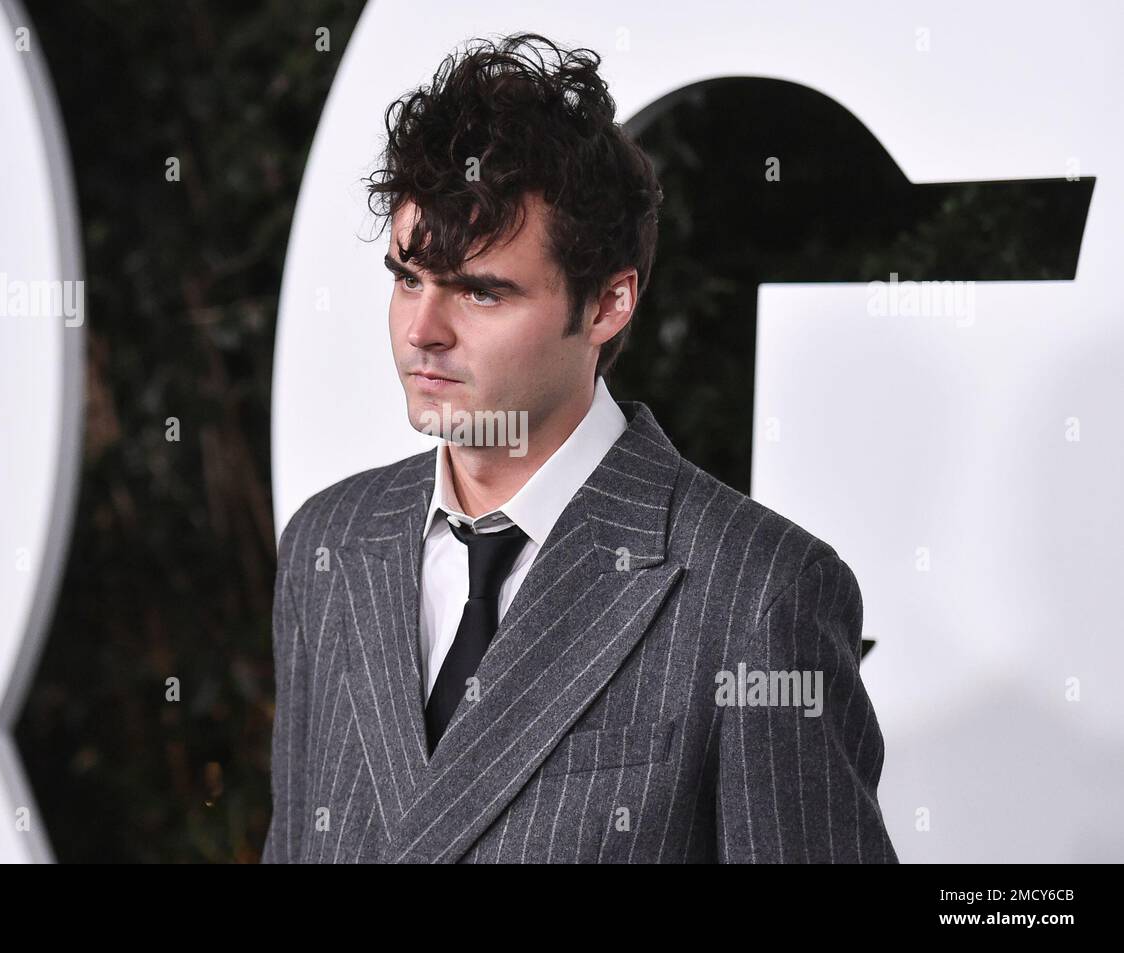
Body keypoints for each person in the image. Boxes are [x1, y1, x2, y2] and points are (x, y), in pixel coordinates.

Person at [262, 32, 896, 863]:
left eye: (480, 293)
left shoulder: (758, 592)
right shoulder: (329, 542)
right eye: (408, 278)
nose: (423, 330)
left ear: (607, 305)